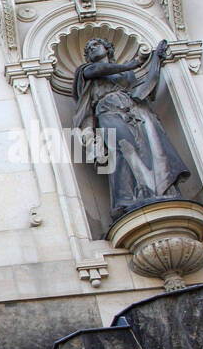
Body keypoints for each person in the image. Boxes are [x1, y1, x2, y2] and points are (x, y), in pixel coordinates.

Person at [73, 37, 191, 221]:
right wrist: (135, 63)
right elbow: (99, 70)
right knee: (121, 149)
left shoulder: (127, 75)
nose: (91, 49)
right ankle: (125, 200)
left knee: (151, 148)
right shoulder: (86, 71)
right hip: (108, 110)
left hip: (134, 110)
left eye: (96, 44)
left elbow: (143, 91)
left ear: (107, 47)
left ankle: (156, 190)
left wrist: (156, 62)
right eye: (88, 48)